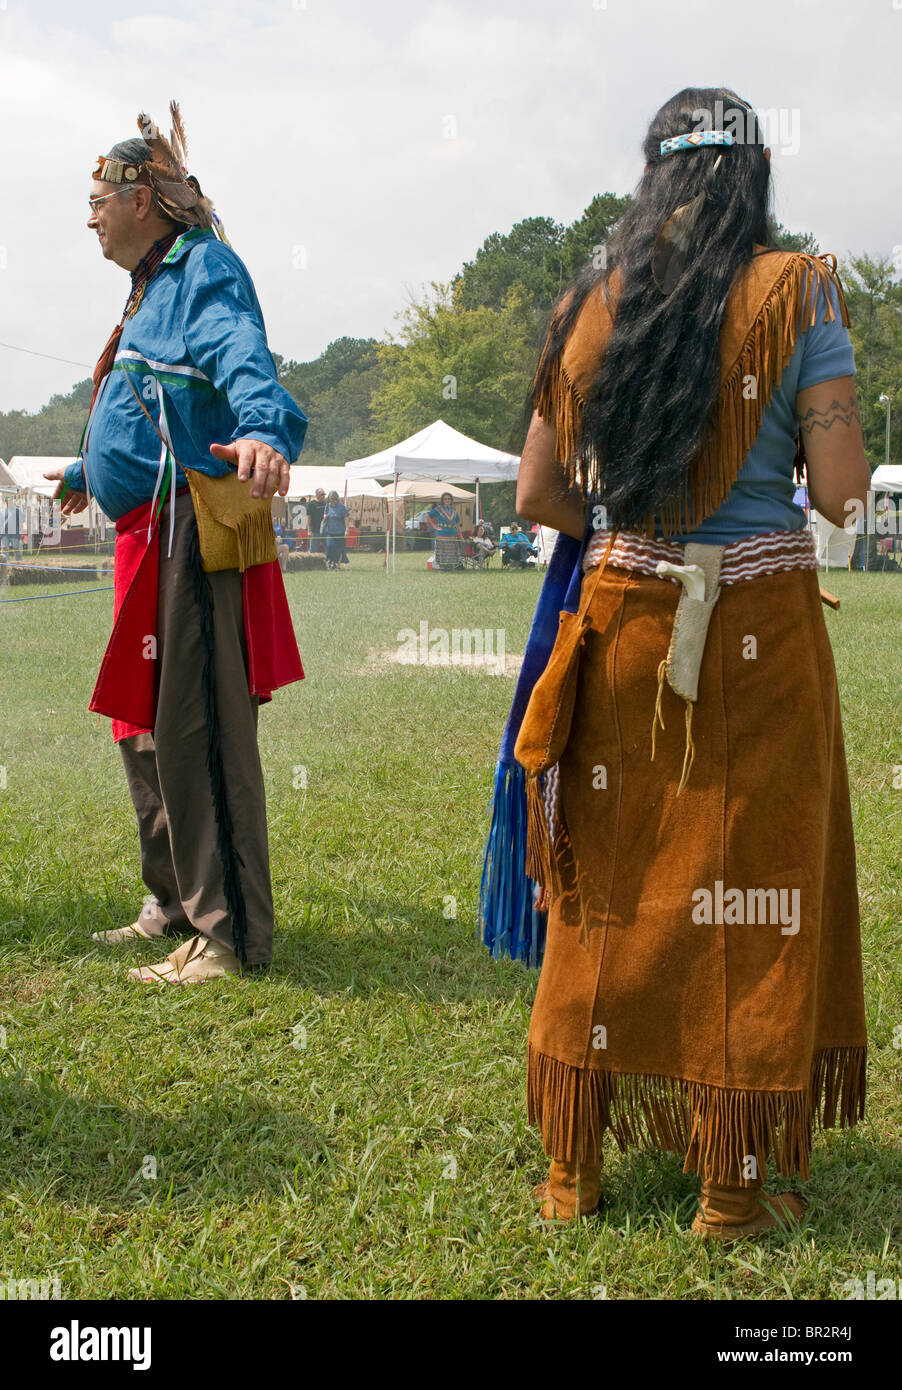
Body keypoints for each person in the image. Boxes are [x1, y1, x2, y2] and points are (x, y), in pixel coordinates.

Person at [480, 87, 870, 1240]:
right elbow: (844, 492)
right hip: (757, 632)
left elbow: (538, 494)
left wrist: (639, 517)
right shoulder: (798, 290)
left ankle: (571, 1176)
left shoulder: (586, 306)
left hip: (619, 625)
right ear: (752, 175)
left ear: (652, 176)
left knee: (602, 889)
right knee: (755, 893)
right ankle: (728, 1190)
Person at [45, 102, 308, 985]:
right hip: (144, 532)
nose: (88, 215)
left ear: (143, 201)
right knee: (146, 725)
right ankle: (176, 904)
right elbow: (152, 404)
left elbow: (243, 357)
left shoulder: (206, 267)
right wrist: (90, 472)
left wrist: (265, 427)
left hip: (194, 525)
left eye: (97, 199)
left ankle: (227, 937)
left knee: (197, 728)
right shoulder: (150, 289)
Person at [322, 489, 349, 569]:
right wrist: (325, 516)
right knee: (330, 547)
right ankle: (331, 562)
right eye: (331, 498)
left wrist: (347, 529)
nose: (333, 500)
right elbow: (325, 515)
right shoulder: (327, 506)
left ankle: (336, 564)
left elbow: (346, 518)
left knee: (338, 550)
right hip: (330, 532)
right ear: (329, 499)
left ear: (337, 498)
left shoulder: (342, 507)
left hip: (340, 532)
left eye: (334, 498)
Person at [306, 488, 326, 553]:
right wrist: (309, 530)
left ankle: (330, 562)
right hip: (315, 531)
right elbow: (308, 518)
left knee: (329, 549)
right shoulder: (311, 504)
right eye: (322, 494)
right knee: (312, 550)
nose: (323, 496)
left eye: (324, 494)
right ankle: (310, 563)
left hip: (325, 531)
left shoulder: (326, 504)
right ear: (317, 495)